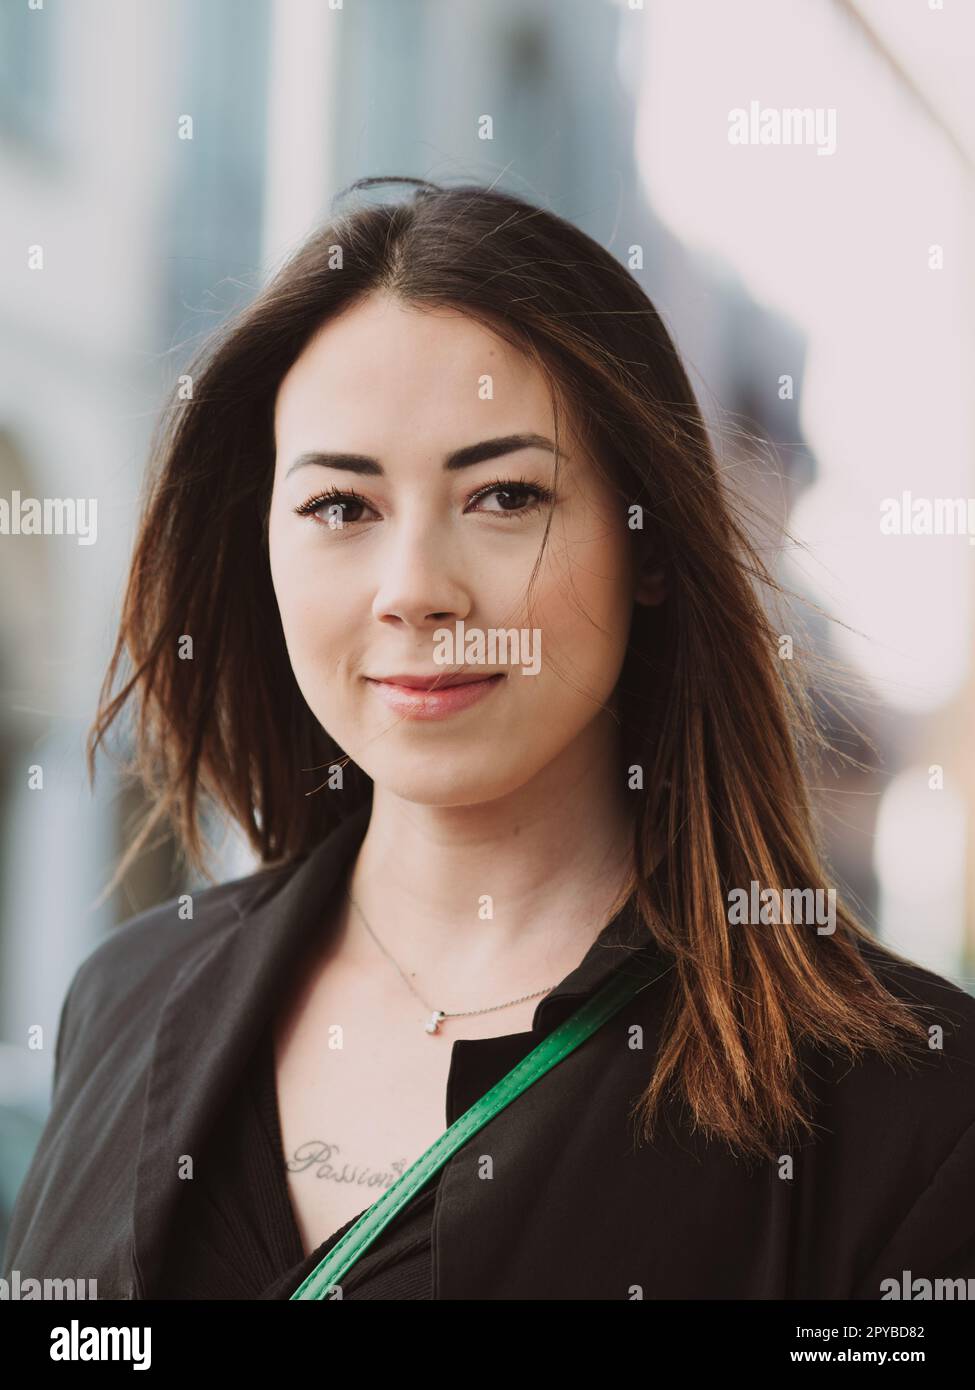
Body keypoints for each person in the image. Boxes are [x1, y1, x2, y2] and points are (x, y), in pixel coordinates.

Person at [4, 177, 974, 1301]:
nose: (415, 591)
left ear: (650, 543)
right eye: (340, 507)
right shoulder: (128, 995)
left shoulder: (905, 1109)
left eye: (506, 496)